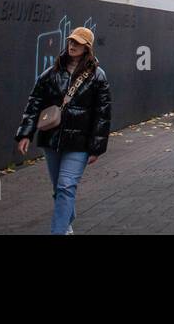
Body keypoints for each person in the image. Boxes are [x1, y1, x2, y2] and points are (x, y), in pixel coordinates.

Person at [15, 27, 111, 234]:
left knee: (66, 186)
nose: (72, 45)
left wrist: (96, 147)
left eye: (77, 43)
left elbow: (102, 114)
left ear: (87, 47)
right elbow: (34, 103)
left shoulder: (97, 76)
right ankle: (67, 216)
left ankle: (58, 230)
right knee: (59, 188)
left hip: (79, 143)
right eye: (70, 41)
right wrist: (25, 134)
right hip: (52, 139)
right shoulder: (51, 73)